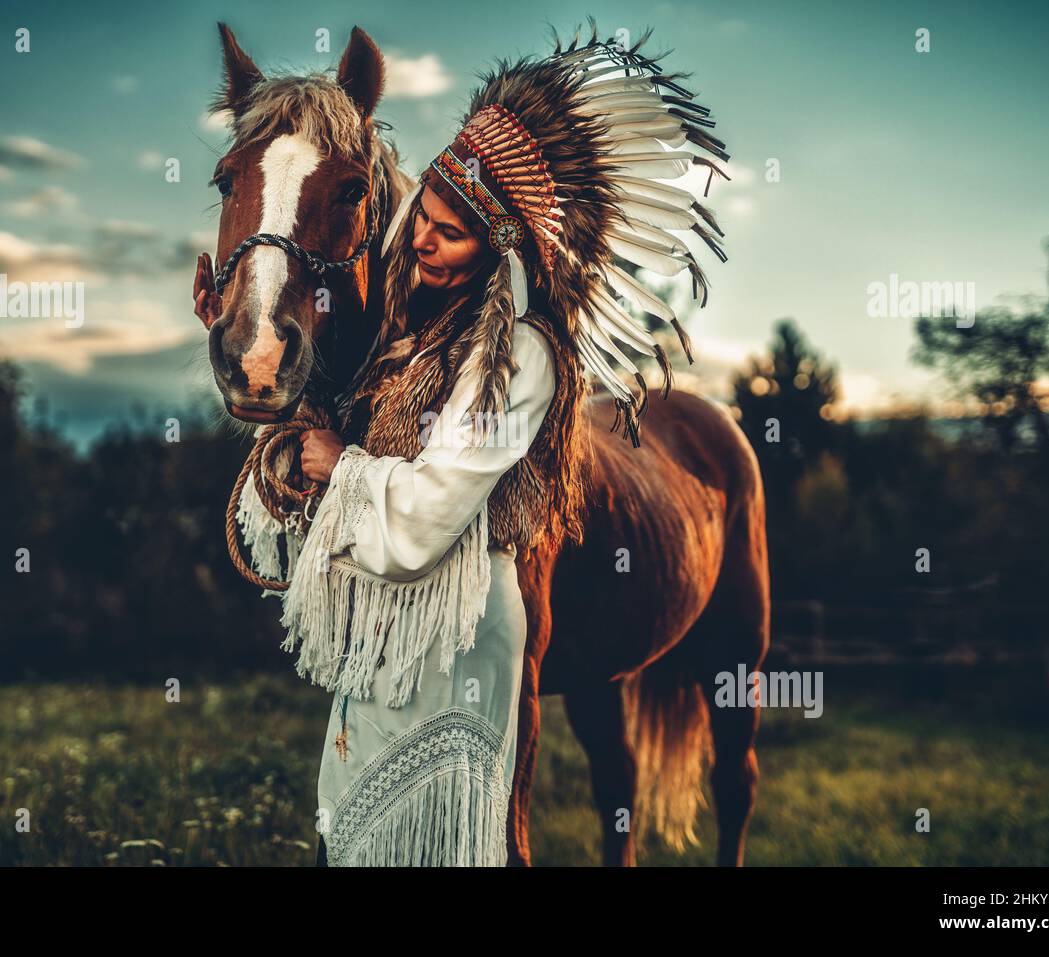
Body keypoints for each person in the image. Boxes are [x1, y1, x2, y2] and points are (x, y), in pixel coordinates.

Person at [236, 23, 730, 866]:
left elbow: (428, 515)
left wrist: (338, 468)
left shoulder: (522, 357)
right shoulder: (411, 322)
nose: (422, 240)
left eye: (450, 234)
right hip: (390, 635)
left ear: (497, 246)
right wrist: (257, 316)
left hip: (462, 637)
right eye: (422, 213)